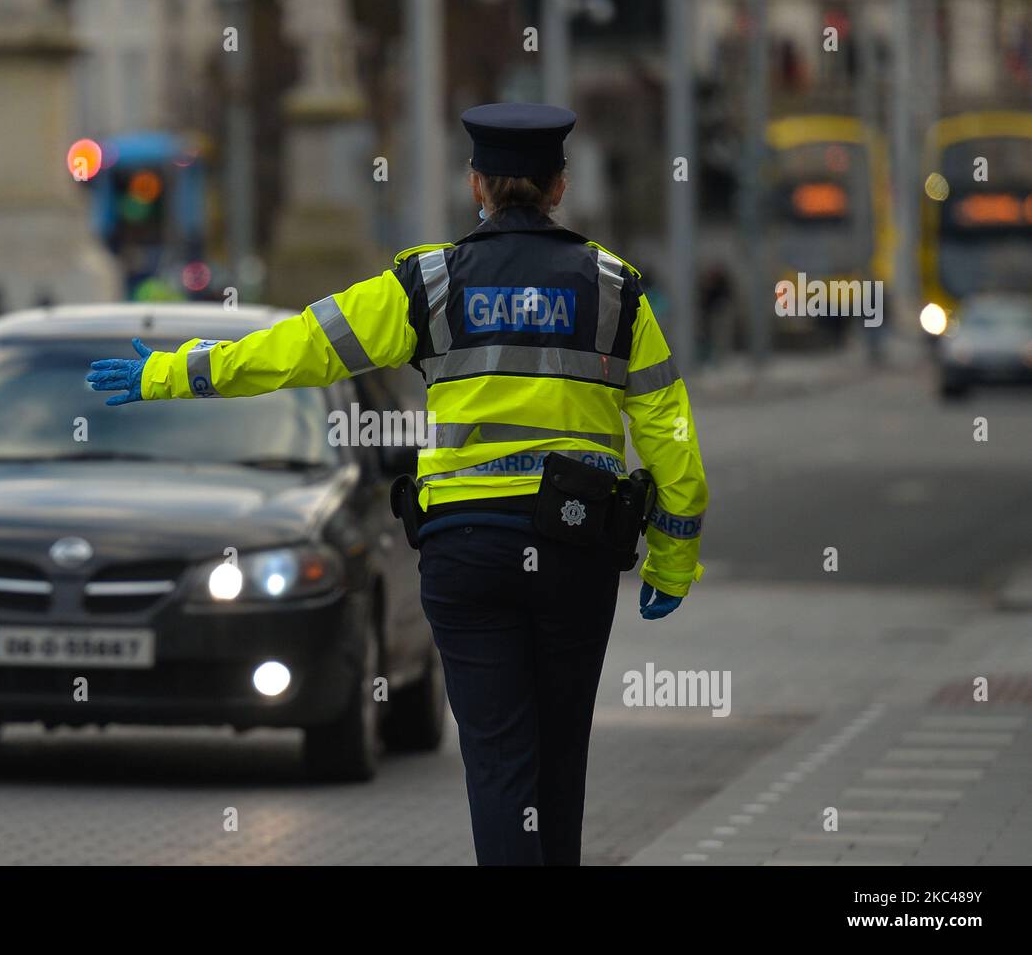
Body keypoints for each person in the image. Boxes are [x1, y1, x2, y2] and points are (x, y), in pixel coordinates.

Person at [88, 103, 709, 866]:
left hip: (467, 553)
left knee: (499, 761)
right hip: (574, 546)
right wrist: (674, 557)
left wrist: (170, 372)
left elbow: (300, 348)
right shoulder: (615, 289)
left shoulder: (430, 282)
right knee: (559, 757)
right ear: (559, 186)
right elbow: (669, 432)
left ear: (477, 184)